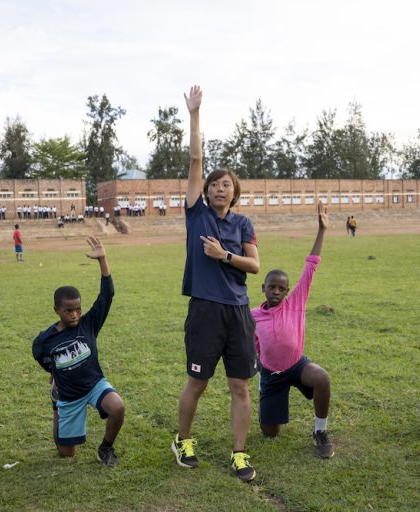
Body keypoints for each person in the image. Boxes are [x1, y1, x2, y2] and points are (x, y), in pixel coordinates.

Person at [172, 86, 261, 483]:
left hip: (238, 312)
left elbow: (254, 265)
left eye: (227, 185)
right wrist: (194, 113)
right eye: (214, 184)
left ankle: (239, 454)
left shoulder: (243, 224)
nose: (220, 188)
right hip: (205, 309)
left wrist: (224, 256)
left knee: (240, 387)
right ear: (205, 192)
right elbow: (195, 159)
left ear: (235, 192)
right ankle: (184, 441)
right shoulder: (197, 214)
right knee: (198, 382)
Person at [32, 235, 125, 467]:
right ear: (56, 310)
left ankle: (105, 448)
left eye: (78, 309)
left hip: (94, 385)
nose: (74, 314)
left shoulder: (89, 323)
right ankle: (56, 404)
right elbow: (41, 357)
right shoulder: (45, 340)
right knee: (67, 453)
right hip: (69, 395)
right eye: (68, 311)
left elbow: (107, 295)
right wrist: (53, 372)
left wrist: (102, 259)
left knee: (118, 407)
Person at [252, 202, 334, 458]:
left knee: (322, 378)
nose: (276, 291)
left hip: (297, 365)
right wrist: (257, 365)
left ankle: (320, 431)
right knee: (270, 432)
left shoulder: (296, 302)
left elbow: (311, 265)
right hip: (271, 374)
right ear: (263, 288)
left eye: (281, 288)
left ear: (288, 291)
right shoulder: (253, 315)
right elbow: (252, 345)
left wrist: (322, 230)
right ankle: (269, 396)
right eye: (272, 287)